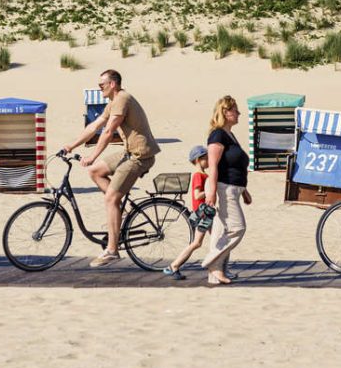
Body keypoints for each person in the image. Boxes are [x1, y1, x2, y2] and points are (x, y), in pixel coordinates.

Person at [62, 70, 161, 268]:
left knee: (110, 198)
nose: (100, 89)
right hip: (128, 152)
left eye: (102, 85)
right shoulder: (112, 103)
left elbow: (107, 132)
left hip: (141, 155)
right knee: (95, 171)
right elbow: (94, 126)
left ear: (113, 84)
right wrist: (70, 146)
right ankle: (122, 211)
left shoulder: (122, 99)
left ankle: (112, 250)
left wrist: (92, 156)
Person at [201, 96, 252, 285]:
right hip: (224, 189)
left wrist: (245, 190)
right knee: (238, 228)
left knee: (221, 232)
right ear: (225, 112)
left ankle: (215, 274)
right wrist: (211, 192)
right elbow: (213, 166)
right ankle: (211, 262)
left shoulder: (229, 135)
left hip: (235, 189)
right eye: (235, 110)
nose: (238, 114)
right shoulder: (217, 135)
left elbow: (235, 165)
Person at [163, 145, 211, 280]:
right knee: (197, 243)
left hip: (207, 212)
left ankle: (218, 268)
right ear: (198, 160)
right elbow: (197, 195)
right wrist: (211, 190)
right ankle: (173, 266)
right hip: (203, 213)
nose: (208, 161)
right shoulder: (198, 176)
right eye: (206, 158)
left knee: (210, 240)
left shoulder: (204, 175)